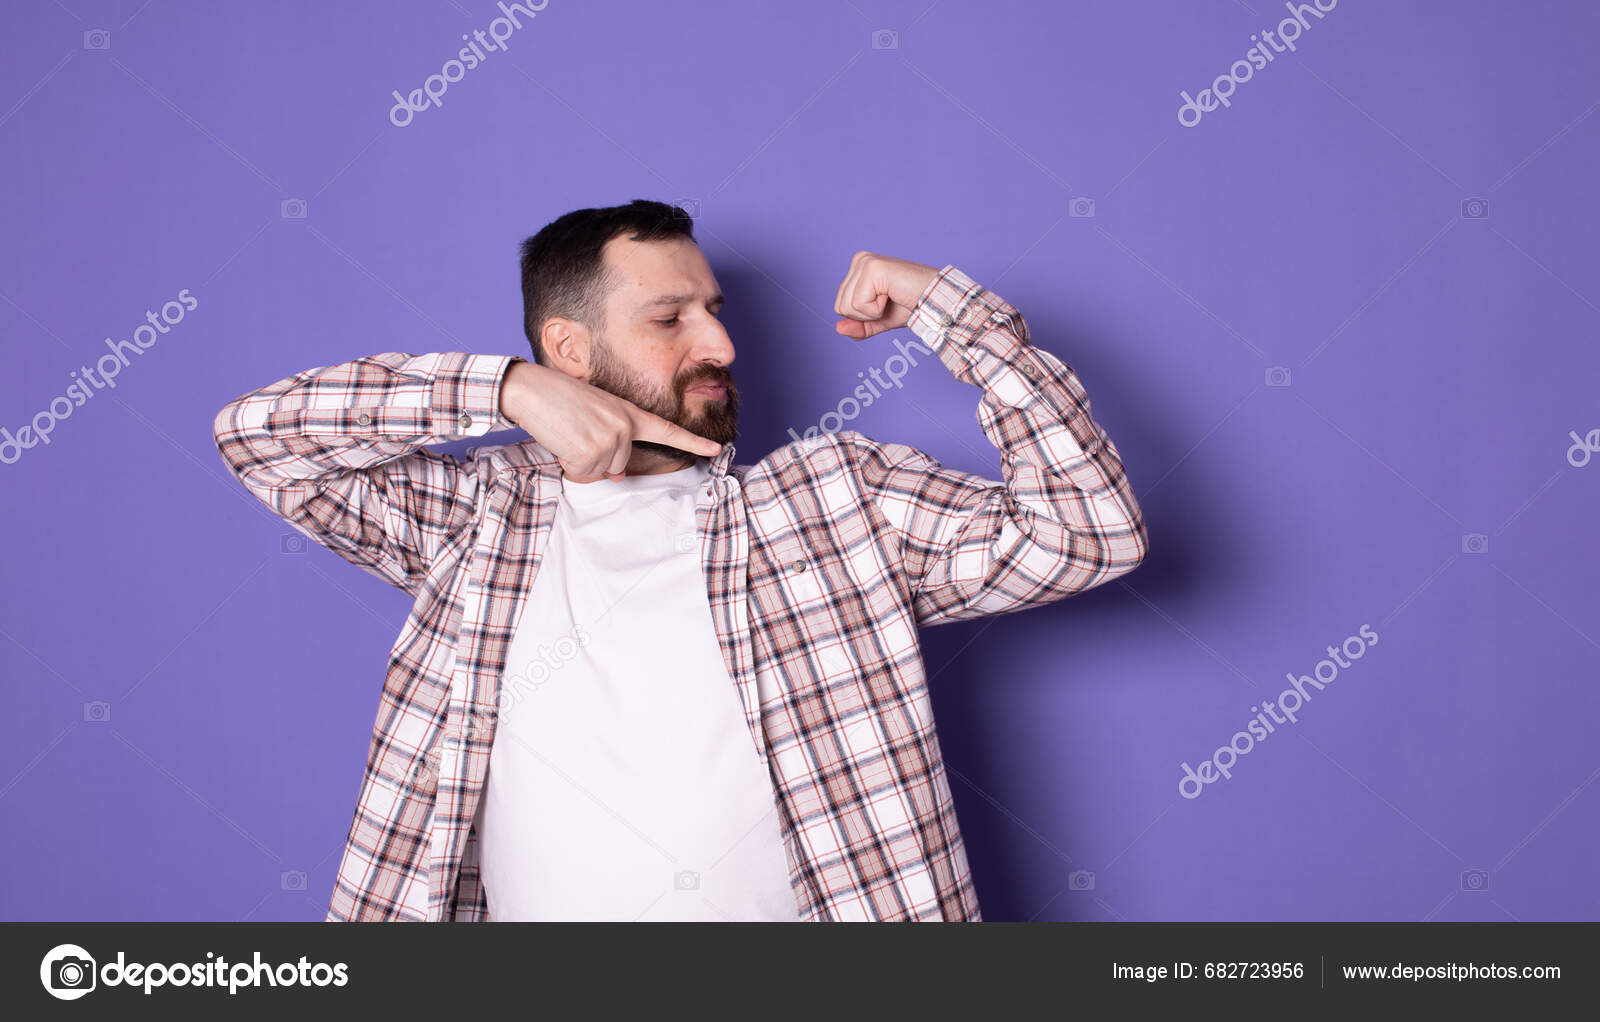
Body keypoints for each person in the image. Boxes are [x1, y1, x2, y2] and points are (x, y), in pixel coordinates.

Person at [212, 199, 1149, 921]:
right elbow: (258, 437)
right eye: (672, 319)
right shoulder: (474, 517)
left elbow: (1089, 530)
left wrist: (958, 316)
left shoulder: (834, 503)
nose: (723, 344)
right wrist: (501, 386)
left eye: (716, 310)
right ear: (566, 350)